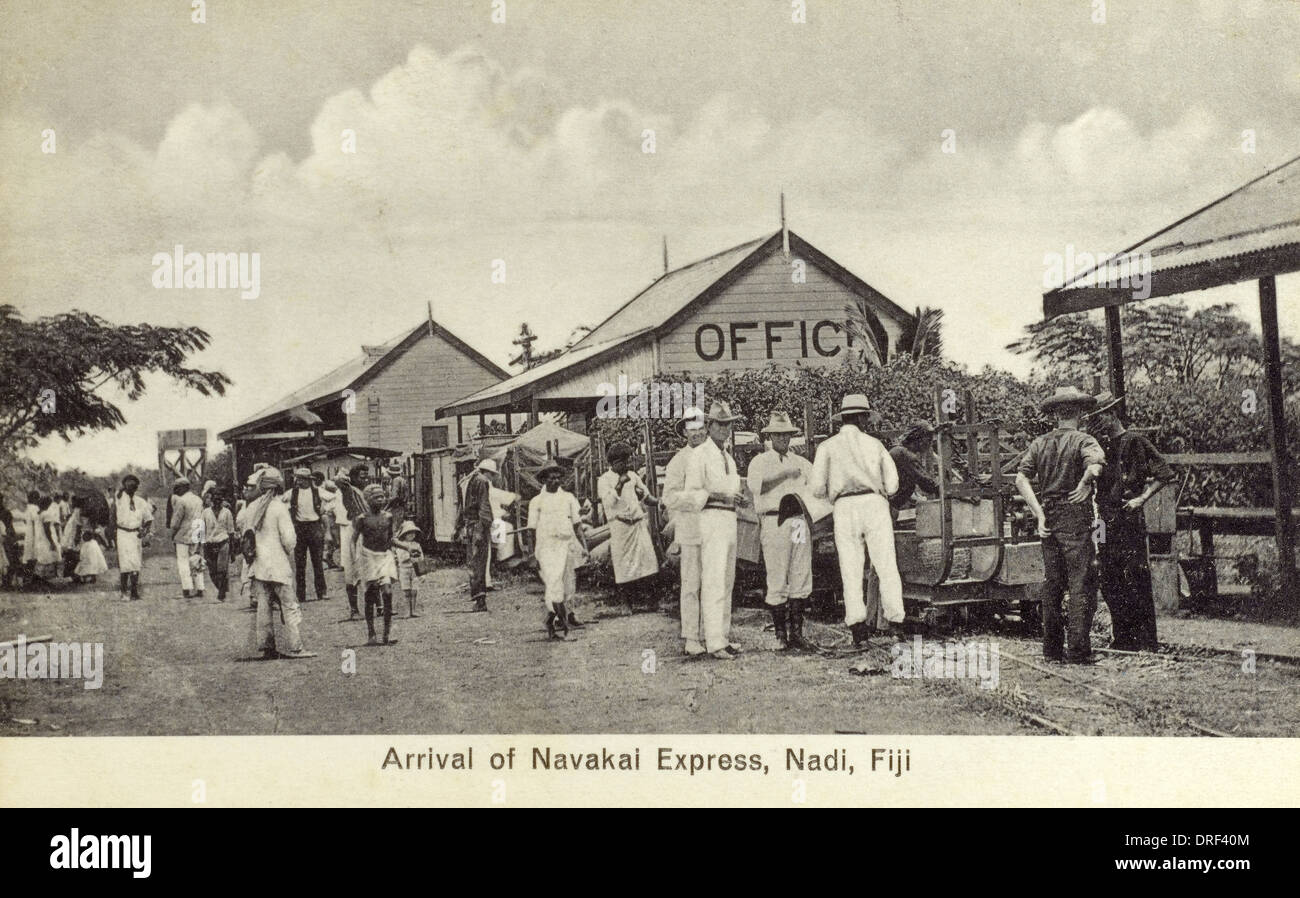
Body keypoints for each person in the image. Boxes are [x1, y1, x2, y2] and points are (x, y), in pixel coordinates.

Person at [1015, 385, 1106, 664]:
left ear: (1055, 414)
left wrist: (1040, 513)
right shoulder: (1084, 440)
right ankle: (1079, 651)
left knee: (1053, 583)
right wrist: (1083, 483)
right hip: (1075, 515)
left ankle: (1052, 651)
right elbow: (1095, 466)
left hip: (1049, 516)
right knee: (1081, 581)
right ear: (1079, 412)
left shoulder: (1040, 443)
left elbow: (1020, 479)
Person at [810, 393, 905, 650]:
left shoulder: (827, 447)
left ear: (843, 418)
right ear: (863, 417)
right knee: (886, 563)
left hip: (844, 506)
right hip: (874, 503)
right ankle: (896, 626)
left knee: (850, 567)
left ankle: (858, 632)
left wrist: (835, 488)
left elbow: (816, 488)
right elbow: (894, 484)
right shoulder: (875, 445)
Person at [1085, 391, 1176, 653]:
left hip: (1128, 517)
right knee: (1107, 574)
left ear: (1112, 415)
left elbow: (1164, 474)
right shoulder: (1099, 448)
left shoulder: (1135, 441)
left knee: (1135, 574)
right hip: (1102, 520)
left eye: (1100, 417)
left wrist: (1142, 498)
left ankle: (1145, 642)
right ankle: (1122, 638)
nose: (1098, 423)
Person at [684, 401, 748, 660]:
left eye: (728, 424)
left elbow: (732, 493)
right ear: (709, 426)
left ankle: (722, 636)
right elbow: (691, 494)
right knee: (713, 580)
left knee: (727, 580)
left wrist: (737, 499)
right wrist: (721, 496)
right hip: (710, 520)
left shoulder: (729, 458)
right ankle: (713, 642)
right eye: (720, 424)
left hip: (729, 521)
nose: (725, 429)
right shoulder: (699, 455)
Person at [747, 411, 815, 651]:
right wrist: (784, 475)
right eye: (778, 434)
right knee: (777, 573)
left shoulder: (800, 461)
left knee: (800, 570)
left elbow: (816, 484)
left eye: (787, 435)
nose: (783, 439)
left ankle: (797, 632)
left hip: (798, 521)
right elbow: (756, 487)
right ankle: (780, 634)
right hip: (774, 520)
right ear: (770, 436)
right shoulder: (760, 461)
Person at [245, 469, 313, 659]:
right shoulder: (278, 508)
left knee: (264, 607)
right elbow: (290, 539)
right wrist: (286, 551)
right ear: (277, 487)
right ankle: (296, 647)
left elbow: (246, 533)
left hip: (259, 565)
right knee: (289, 605)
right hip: (278, 565)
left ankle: (267, 647)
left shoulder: (252, 508)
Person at [662, 406, 709, 655]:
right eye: (692, 430)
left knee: (714, 583)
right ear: (684, 433)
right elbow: (669, 497)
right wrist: (698, 498)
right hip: (691, 528)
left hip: (715, 528)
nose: (697, 434)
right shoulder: (678, 461)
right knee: (692, 583)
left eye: (701, 428)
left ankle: (712, 635)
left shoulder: (715, 455)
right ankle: (692, 638)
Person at [527, 461, 589, 640]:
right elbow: (531, 530)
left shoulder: (568, 498)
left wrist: (584, 547)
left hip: (566, 545)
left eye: (557, 477)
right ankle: (555, 622)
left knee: (569, 583)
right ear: (544, 480)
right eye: (551, 478)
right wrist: (532, 554)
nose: (555, 481)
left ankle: (565, 616)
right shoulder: (536, 501)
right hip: (546, 547)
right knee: (554, 583)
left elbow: (577, 525)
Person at [598, 442, 662, 611]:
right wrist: (619, 484)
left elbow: (646, 496)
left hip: (638, 524)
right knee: (623, 565)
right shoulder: (604, 480)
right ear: (611, 463)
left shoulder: (633, 476)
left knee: (648, 561)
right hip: (620, 526)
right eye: (621, 462)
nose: (625, 466)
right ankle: (626, 604)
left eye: (626, 461)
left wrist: (661, 503)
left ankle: (651, 602)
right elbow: (609, 503)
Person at [353, 483, 399, 645]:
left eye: (382, 497)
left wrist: (405, 547)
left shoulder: (388, 517)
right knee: (371, 594)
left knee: (387, 592)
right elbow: (354, 540)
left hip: (385, 556)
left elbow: (391, 537)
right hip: (368, 557)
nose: (380, 500)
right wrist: (355, 562)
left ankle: (387, 633)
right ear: (367, 500)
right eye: (376, 497)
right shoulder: (362, 519)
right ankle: (371, 633)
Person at [458, 458, 498, 612]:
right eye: (492, 474)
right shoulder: (482, 481)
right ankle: (480, 600)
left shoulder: (470, 480)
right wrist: (483, 528)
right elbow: (484, 505)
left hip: (472, 525)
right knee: (479, 562)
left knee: (474, 562)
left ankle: (479, 599)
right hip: (477, 526)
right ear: (488, 472)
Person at [287, 467, 328, 603]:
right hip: (299, 528)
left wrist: (324, 509)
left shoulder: (317, 491)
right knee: (300, 563)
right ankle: (301, 594)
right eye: (297, 478)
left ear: (307, 480)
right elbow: (280, 501)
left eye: (301, 479)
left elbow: (333, 497)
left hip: (315, 526)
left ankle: (321, 592)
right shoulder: (292, 493)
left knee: (317, 561)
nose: (298, 481)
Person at [332, 469, 369, 618]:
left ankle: (378, 607)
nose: (365, 479)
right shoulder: (345, 491)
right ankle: (354, 609)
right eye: (362, 476)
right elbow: (338, 481)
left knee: (370, 568)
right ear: (352, 478)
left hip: (364, 532)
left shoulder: (363, 493)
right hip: (349, 531)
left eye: (366, 477)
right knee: (350, 570)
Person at [112, 475, 153, 601]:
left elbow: (149, 519)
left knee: (135, 562)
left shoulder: (141, 502)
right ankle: (124, 591)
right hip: (122, 533)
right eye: (128, 485)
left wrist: (144, 531)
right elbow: (113, 515)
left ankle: (134, 591)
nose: (131, 488)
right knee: (125, 562)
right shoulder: (119, 498)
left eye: (134, 486)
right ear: (124, 486)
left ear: (136, 488)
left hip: (135, 534)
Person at [168, 477, 205, 598]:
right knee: (196, 560)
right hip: (197, 532)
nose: (175, 490)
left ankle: (187, 588)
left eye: (177, 488)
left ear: (184, 487)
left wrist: (172, 534)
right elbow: (201, 518)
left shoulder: (181, 501)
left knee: (183, 562)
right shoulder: (198, 500)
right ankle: (200, 588)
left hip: (183, 535)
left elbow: (176, 522)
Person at [202, 489, 234, 601]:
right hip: (209, 544)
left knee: (222, 569)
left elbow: (230, 531)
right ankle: (222, 587)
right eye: (215, 496)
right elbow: (201, 529)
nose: (217, 498)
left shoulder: (227, 512)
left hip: (223, 542)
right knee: (212, 571)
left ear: (222, 499)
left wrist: (232, 551)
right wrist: (201, 547)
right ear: (211, 498)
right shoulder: (206, 512)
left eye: (219, 496)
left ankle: (221, 592)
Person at [393, 519, 424, 619]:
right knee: (407, 591)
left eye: (413, 533)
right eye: (408, 533)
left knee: (414, 591)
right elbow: (401, 559)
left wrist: (422, 573)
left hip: (414, 570)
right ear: (404, 534)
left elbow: (421, 558)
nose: (411, 535)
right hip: (404, 570)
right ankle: (407, 611)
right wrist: (410, 555)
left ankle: (413, 610)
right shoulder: (401, 546)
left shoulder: (417, 545)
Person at [315, 472, 340, 570]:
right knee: (328, 539)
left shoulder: (323, 490)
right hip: (326, 516)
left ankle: (329, 560)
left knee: (331, 540)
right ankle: (327, 559)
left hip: (329, 515)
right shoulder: (321, 490)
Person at [386, 459, 409, 523]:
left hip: (396, 507)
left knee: (395, 527)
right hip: (402, 507)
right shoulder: (403, 480)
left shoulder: (395, 480)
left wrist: (386, 507)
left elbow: (394, 497)